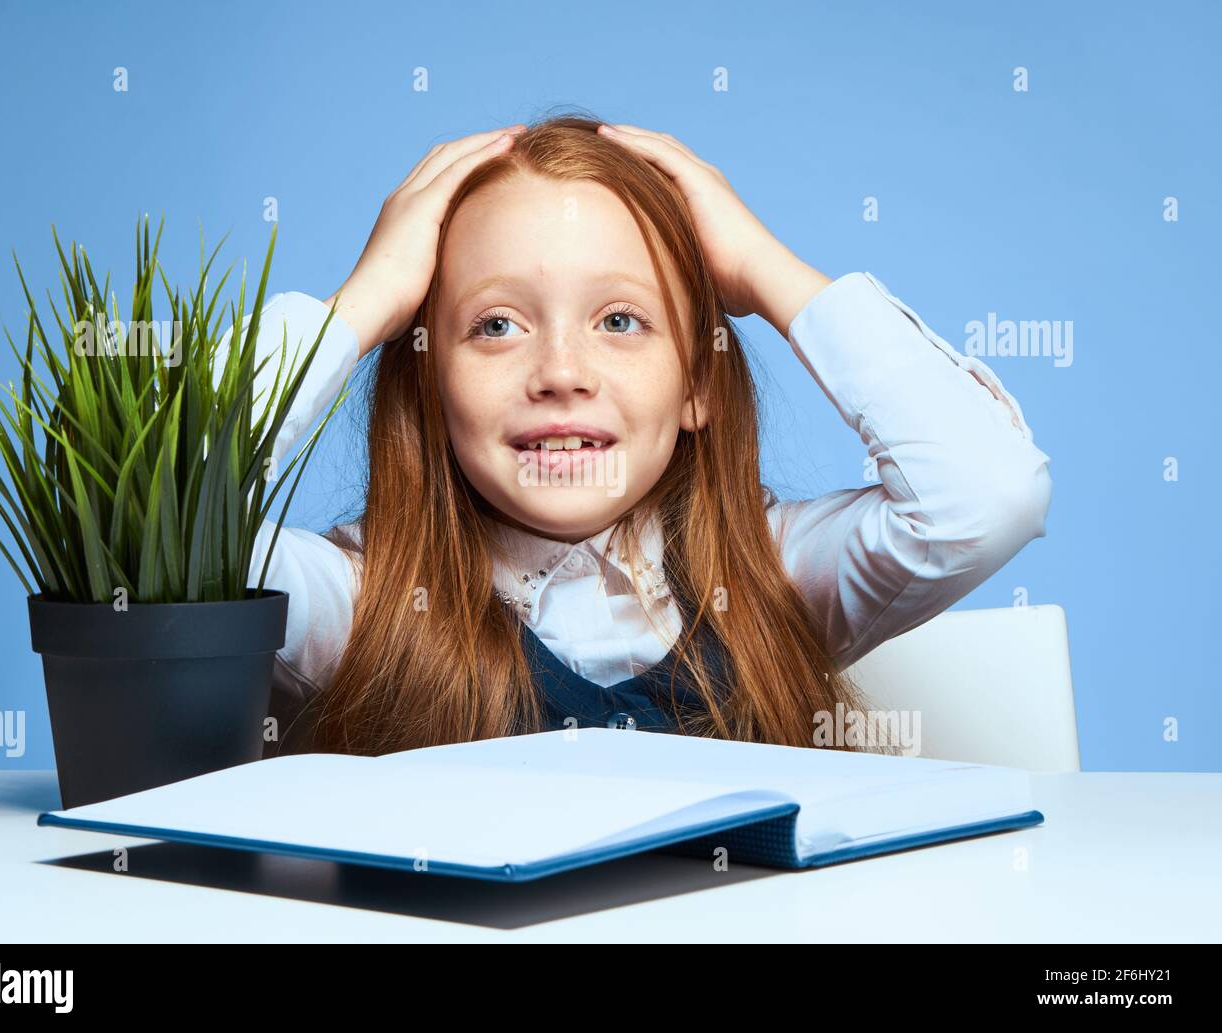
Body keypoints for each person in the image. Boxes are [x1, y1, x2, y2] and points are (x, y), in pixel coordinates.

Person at [227, 114, 1052, 757]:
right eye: (496, 325)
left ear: (697, 382)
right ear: (430, 383)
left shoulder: (772, 573)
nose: (561, 371)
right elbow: (134, 538)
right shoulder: (359, 600)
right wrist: (362, 303)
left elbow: (985, 497)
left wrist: (766, 270)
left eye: (620, 319)